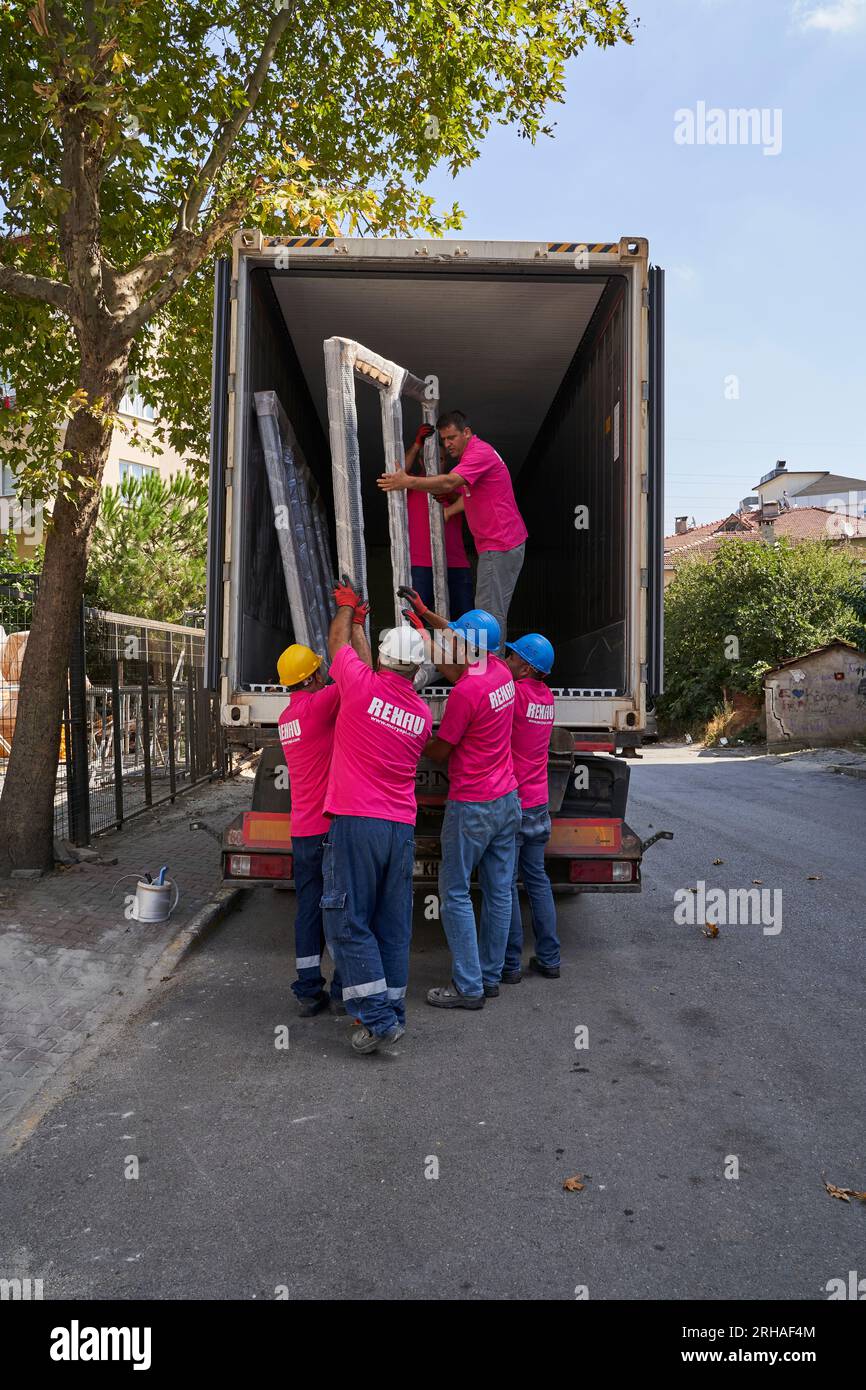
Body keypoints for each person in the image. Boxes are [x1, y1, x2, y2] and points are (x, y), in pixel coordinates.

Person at [321, 577, 432, 1055]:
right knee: (391, 925)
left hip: (356, 822)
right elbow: (369, 671)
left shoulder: (360, 691)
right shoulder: (422, 715)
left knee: (347, 920)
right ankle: (390, 1011)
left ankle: (380, 1019)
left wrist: (348, 611)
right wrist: (363, 624)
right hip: (399, 829)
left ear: (385, 659)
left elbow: (336, 649)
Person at [402, 592, 521, 1008]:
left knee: (453, 892)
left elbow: (440, 750)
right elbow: (457, 650)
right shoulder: (501, 672)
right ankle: (488, 977)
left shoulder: (466, 694)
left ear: (471, 648)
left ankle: (468, 987)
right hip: (508, 799)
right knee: (498, 891)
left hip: (473, 805)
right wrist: (424, 619)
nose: (451, 643)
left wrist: (412, 733)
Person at [378, 410, 527, 646]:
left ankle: (487, 673)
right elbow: (468, 493)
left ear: (466, 433)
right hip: (496, 544)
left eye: (452, 438)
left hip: (500, 543)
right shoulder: (472, 460)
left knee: (488, 614)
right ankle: (483, 668)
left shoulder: (477, 454)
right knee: (486, 612)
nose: (447, 444)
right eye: (444, 440)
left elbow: (449, 482)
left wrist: (408, 481)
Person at [277, 639, 352, 1017]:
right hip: (327, 826)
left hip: (301, 828)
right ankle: (342, 990)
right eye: (318, 670)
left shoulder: (287, 718)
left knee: (308, 907)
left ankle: (308, 989)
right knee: (338, 905)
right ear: (312, 677)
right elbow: (353, 680)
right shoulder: (318, 706)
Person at [500, 633, 560, 983]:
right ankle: (549, 958)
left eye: (512, 657)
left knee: (506, 885)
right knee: (537, 881)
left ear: (525, 667)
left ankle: (510, 965)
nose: (507, 661)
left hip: (516, 801)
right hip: (539, 804)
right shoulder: (547, 698)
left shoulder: (516, 694)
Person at [403, 422, 474, 617]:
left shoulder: (454, 483)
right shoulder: (410, 484)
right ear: (421, 461)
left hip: (455, 564)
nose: (436, 463)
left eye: (441, 459)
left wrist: (450, 498)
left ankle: (459, 650)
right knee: (415, 620)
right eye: (429, 459)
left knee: (465, 622)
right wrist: (417, 444)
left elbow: (474, 503)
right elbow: (398, 471)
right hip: (421, 564)